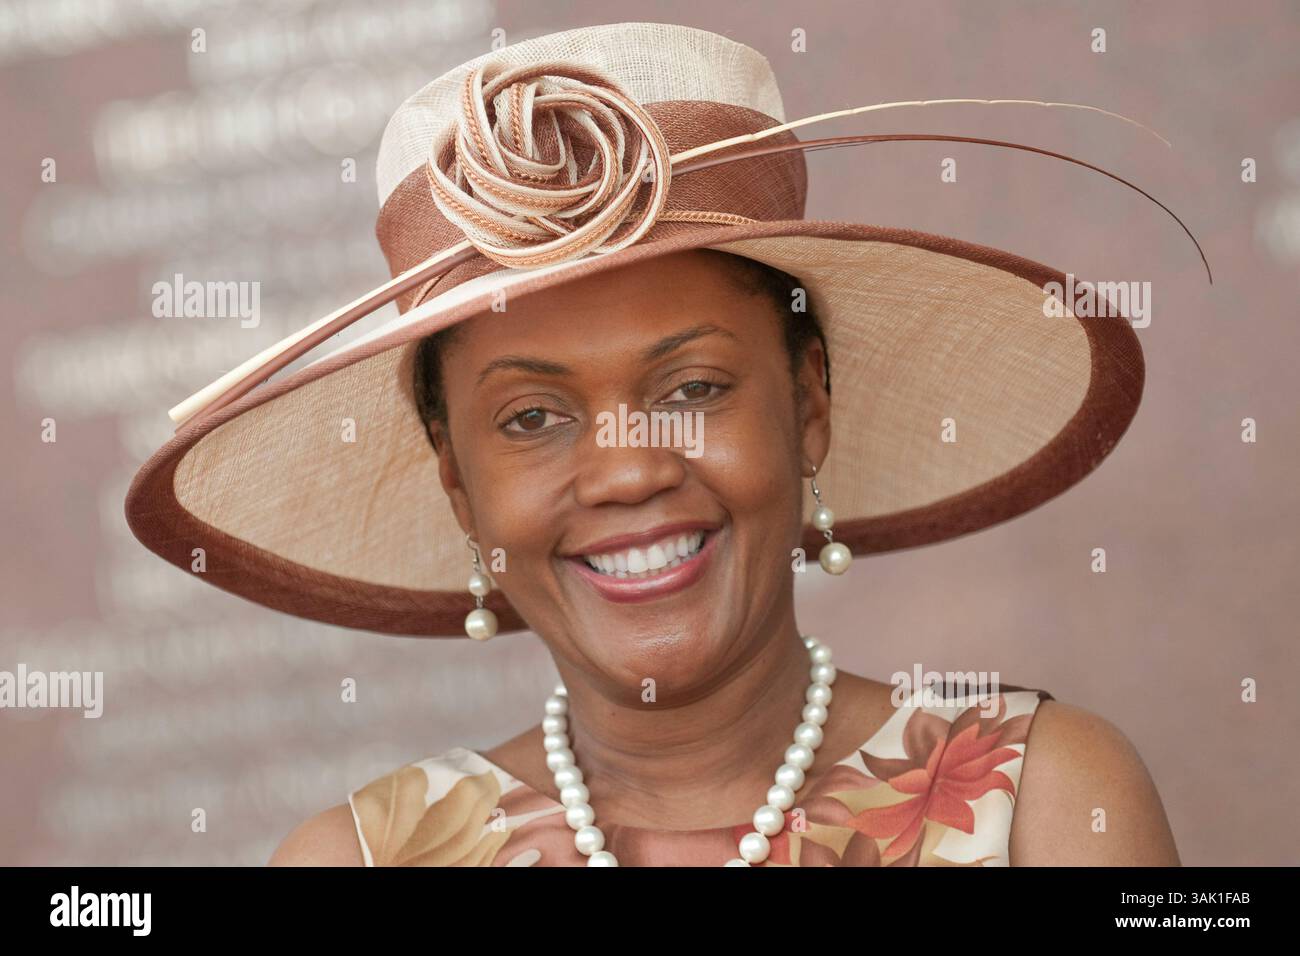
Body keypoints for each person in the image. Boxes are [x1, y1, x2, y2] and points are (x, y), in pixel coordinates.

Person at [124, 22, 1188, 866]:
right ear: (457, 481)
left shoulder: (1047, 799)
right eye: (531, 417)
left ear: (808, 403)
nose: (629, 468)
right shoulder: (356, 860)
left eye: (692, 388)